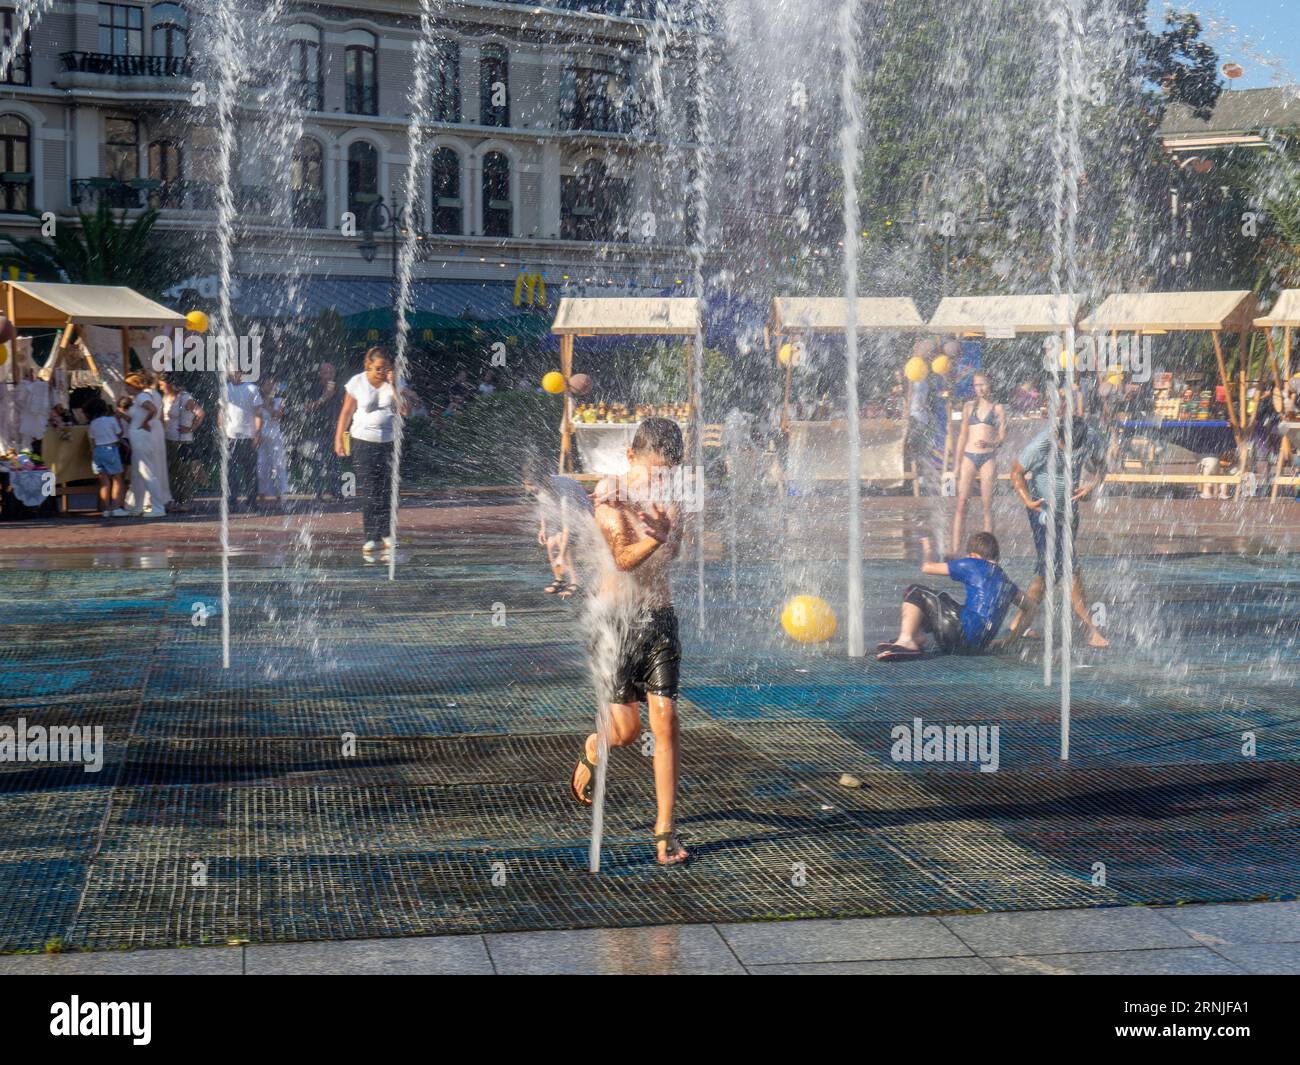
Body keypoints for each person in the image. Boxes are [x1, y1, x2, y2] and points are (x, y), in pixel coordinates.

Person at [569, 417, 688, 866]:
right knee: (626, 730)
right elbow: (622, 560)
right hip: (614, 623)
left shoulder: (674, 497)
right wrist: (657, 537)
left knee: (666, 720)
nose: (662, 480)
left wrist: (669, 533)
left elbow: (673, 554)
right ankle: (596, 745)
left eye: (669, 472)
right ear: (631, 457)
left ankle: (665, 833)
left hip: (659, 619)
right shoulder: (610, 493)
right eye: (655, 470)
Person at [1005, 391, 1110, 649]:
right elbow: (1016, 472)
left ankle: (1020, 622)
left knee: (1048, 571)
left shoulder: (1089, 437)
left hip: (1069, 512)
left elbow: (1101, 466)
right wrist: (1028, 501)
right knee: (1068, 566)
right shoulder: (1043, 443)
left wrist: (1091, 486)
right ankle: (1089, 629)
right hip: (1043, 513)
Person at [877, 533, 1027, 660]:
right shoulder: (1006, 582)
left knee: (916, 591)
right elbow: (1031, 607)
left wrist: (928, 548)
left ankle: (907, 641)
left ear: (973, 556)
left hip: (957, 635)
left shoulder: (973, 563)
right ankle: (917, 637)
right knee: (942, 599)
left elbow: (927, 567)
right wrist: (1010, 640)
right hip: (976, 648)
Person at [335, 347, 416, 559]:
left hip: (390, 442)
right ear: (368, 366)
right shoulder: (357, 382)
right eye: (378, 368)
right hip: (363, 441)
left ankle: (387, 532)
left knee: (390, 489)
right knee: (371, 490)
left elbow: (406, 411)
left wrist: (395, 385)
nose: (381, 372)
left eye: (385, 368)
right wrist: (339, 439)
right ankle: (371, 535)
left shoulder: (395, 382)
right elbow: (346, 412)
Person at [951, 372, 1007, 549]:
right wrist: (957, 465)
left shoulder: (997, 408)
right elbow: (962, 436)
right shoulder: (968, 407)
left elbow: (1002, 437)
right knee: (961, 503)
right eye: (976, 385)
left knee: (986, 504)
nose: (980, 388)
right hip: (969, 455)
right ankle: (954, 548)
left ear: (990, 384)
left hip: (987, 456)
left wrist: (990, 442)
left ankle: (987, 552)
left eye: (983, 384)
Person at [523, 458, 592, 597]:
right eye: (526, 485)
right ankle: (559, 579)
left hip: (584, 518)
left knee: (561, 540)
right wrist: (543, 528)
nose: (530, 489)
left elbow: (568, 527)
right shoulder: (539, 488)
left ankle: (575, 582)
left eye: (531, 485)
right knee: (550, 543)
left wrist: (561, 556)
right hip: (566, 518)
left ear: (543, 480)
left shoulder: (563, 491)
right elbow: (544, 505)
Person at [121, 373, 170, 517]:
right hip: (138, 436)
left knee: (147, 471)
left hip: (141, 437)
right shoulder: (139, 398)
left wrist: (145, 423)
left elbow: (153, 409)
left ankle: (157, 507)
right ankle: (138, 506)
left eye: (127, 385)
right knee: (138, 474)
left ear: (134, 385)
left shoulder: (142, 397)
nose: (126, 388)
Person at [159, 373, 203, 513]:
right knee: (172, 471)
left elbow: (201, 413)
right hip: (169, 439)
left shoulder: (185, 398)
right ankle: (175, 499)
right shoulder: (166, 398)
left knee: (184, 472)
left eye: (162, 384)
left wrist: (191, 428)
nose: (160, 387)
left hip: (183, 440)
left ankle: (186, 501)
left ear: (170, 383)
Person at [221, 370, 262, 510]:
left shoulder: (252, 388)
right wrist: (221, 431)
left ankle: (252, 500)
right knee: (230, 471)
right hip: (230, 436)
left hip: (248, 436)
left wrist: (257, 435)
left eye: (235, 372)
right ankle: (232, 501)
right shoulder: (225, 389)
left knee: (250, 471)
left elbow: (258, 413)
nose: (233, 374)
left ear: (241, 373)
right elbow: (221, 412)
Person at [301, 361, 342, 500]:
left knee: (334, 463)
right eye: (325, 373)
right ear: (320, 374)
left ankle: (336, 492)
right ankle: (318, 493)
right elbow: (306, 408)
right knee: (317, 462)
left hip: (336, 431)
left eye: (331, 373)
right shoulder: (313, 389)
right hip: (317, 430)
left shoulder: (340, 390)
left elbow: (346, 410)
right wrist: (323, 399)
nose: (328, 376)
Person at [86, 396, 127, 517]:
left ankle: (106, 508)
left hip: (98, 450)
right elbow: (120, 433)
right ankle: (116, 507)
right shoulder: (111, 420)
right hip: (111, 449)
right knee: (117, 479)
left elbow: (92, 441)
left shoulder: (93, 424)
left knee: (104, 482)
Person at [256, 376, 288, 505]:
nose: (271, 387)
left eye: (272, 385)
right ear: (262, 387)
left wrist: (267, 404)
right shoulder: (257, 400)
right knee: (261, 465)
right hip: (261, 437)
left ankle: (280, 495)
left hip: (275, 437)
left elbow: (277, 416)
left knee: (279, 464)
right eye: (268, 384)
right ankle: (262, 494)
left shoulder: (279, 400)